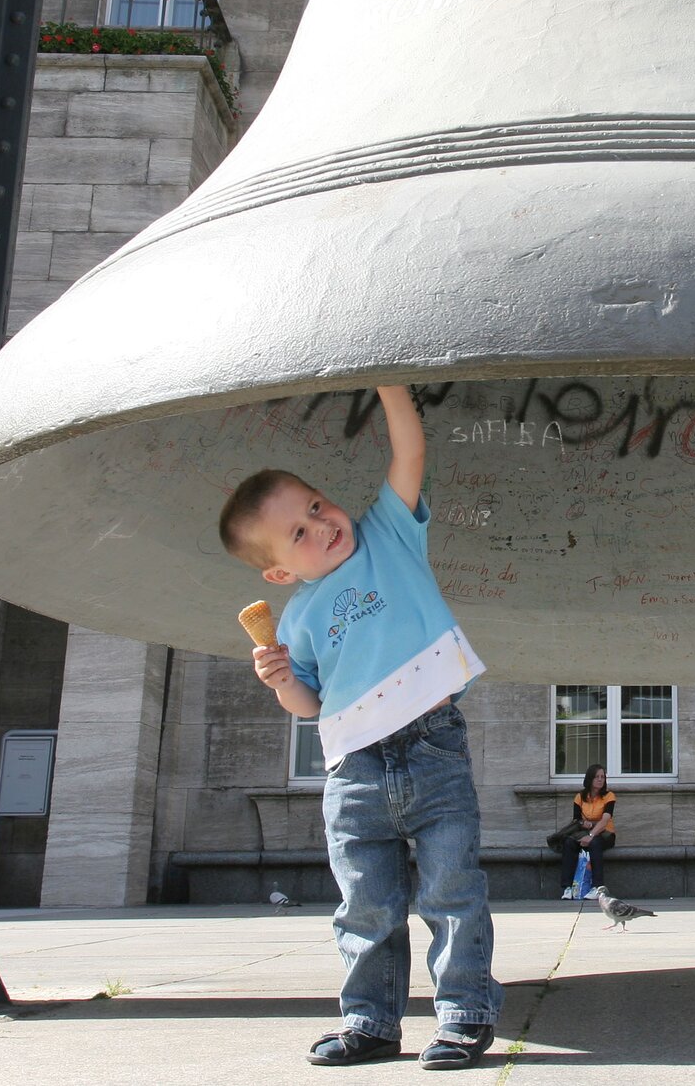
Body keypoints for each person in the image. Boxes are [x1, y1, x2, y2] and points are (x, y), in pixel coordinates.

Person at [220, 384, 502, 1070]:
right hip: (353, 768)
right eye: (299, 531)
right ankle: (371, 1020)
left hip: (432, 742)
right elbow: (310, 705)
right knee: (366, 902)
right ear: (282, 569)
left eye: (316, 505)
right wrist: (283, 679)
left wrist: (390, 388)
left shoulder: (387, 532)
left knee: (451, 888)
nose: (322, 523)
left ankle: (463, 1013)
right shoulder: (294, 620)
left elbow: (410, 452)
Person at [557, 764, 617, 897]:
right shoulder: (579, 797)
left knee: (595, 844)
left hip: (605, 834)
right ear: (590, 779)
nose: (600, 780)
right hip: (584, 832)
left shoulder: (609, 796)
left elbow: (605, 819)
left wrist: (591, 835)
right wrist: (584, 823)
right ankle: (567, 888)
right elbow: (576, 819)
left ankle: (597, 887)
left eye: (602, 777)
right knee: (568, 843)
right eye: (597, 777)